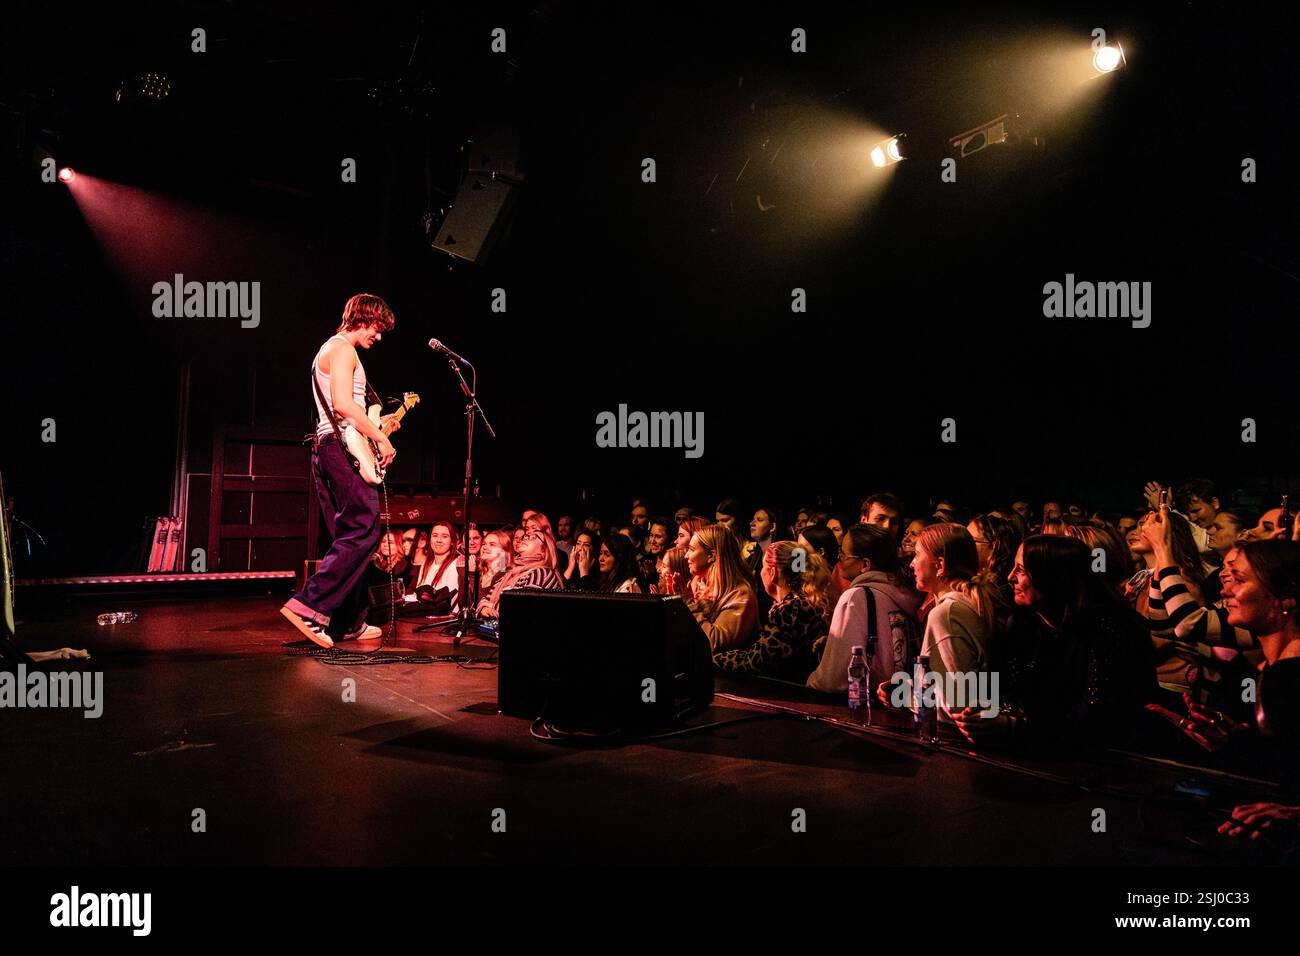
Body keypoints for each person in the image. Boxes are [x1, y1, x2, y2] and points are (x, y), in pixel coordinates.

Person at [951, 535, 1154, 748]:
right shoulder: (1024, 622)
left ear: (1052, 576)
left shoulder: (1111, 629)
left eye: (1021, 570)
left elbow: (1098, 720)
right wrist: (982, 712)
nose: (1010, 577)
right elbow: (1009, 688)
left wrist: (1015, 728)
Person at [282, 293, 398, 647]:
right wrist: (381, 437)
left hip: (326, 448)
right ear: (364, 318)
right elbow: (345, 406)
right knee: (364, 528)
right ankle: (309, 606)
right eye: (377, 328)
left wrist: (379, 426)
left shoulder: (329, 350)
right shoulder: (344, 349)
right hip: (338, 447)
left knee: (349, 535)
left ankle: (347, 620)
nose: (378, 337)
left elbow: (344, 408)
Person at [882, 523, 997, 721]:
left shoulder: (947, 614)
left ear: (940, 565)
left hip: (950, 737)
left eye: (917, 554)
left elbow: (956, 704)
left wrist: (903, 697)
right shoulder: (970, 604)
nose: (912, 564)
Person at [808, 524, 922, 694]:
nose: (839, 560)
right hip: (898, 698)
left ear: (865, 564)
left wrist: (812, 681)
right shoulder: (904, 594)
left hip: (863, 701)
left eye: (843, 555)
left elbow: (834, 679)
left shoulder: (855, 597)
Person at [714, 541, 831, 681]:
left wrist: (714, 659)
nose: (760, 573)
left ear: (772, 572)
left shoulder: (791, 608)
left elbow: (756, 662)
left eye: (763, 567)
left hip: (794, 691)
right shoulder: (801, 602)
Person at [684, 524, 758, 651]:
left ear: (711, 556)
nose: (686, 555)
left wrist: (688, 604)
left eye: (691, 549)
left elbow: (714, 642)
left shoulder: (741, 595)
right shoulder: (698, 586)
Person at [476, 527, 564, 619]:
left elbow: (522, 607)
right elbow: (484, 599)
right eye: (526, 536)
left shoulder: (541, 572)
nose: (525, 538)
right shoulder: (511, 573)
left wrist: (492, 607)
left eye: (533, 537)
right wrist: (484, 609)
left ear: (543, 550)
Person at [415, 521, 461, 609]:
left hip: (445, 615)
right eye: (435, 536)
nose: (439, 540)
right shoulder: (426, 563)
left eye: (444, 536)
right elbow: (419, 593)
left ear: (452, 541)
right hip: (424, 613)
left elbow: (448, 601)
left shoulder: (455, 565)